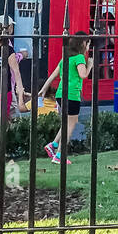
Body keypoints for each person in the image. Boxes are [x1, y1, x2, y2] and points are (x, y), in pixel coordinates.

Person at [40, 32, 92, 164]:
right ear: (82, 44)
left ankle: (53, 145)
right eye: (88, 43)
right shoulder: (80, 57)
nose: (88, 46)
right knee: (70, 125)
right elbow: (83, 74)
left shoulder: (66, 58)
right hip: (72, 95)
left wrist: (43, 89)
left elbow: (53, 75)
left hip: (60, 94)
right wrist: (90, 64)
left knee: (66, 123)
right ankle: (59, 155)